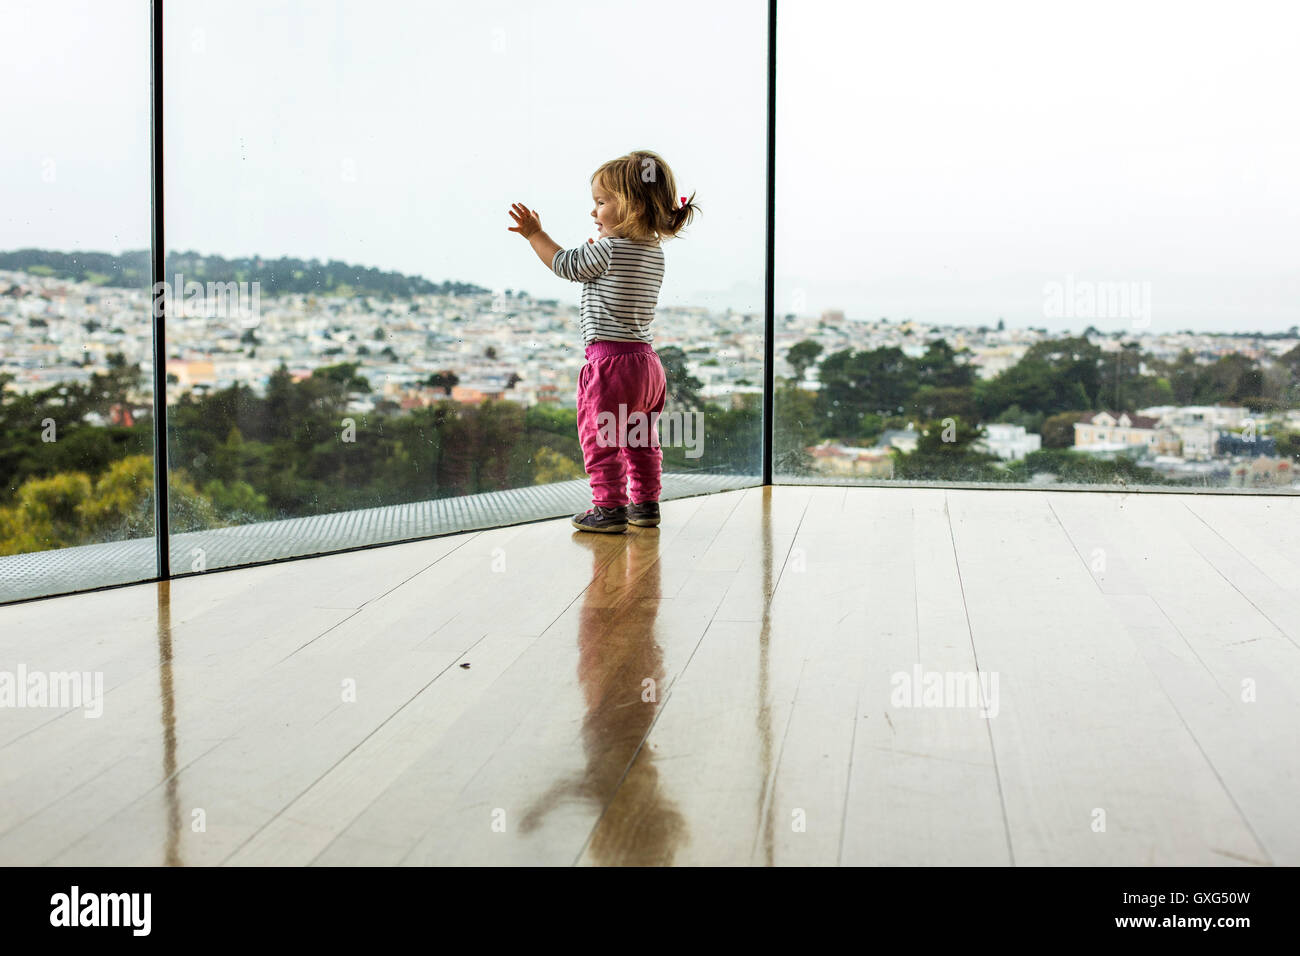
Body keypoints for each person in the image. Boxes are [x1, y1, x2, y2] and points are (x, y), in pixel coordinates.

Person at [508, 149, 699, 533]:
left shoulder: (607, 250)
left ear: (630, 206)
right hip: (647, 366)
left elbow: (564, 264)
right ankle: (645, 505)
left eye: (600, 202)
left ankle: (609, 509)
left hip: (610, 365)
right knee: (641, 438)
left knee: (601, 439)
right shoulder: (654, 253)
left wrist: (535, 235)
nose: (593, 212)